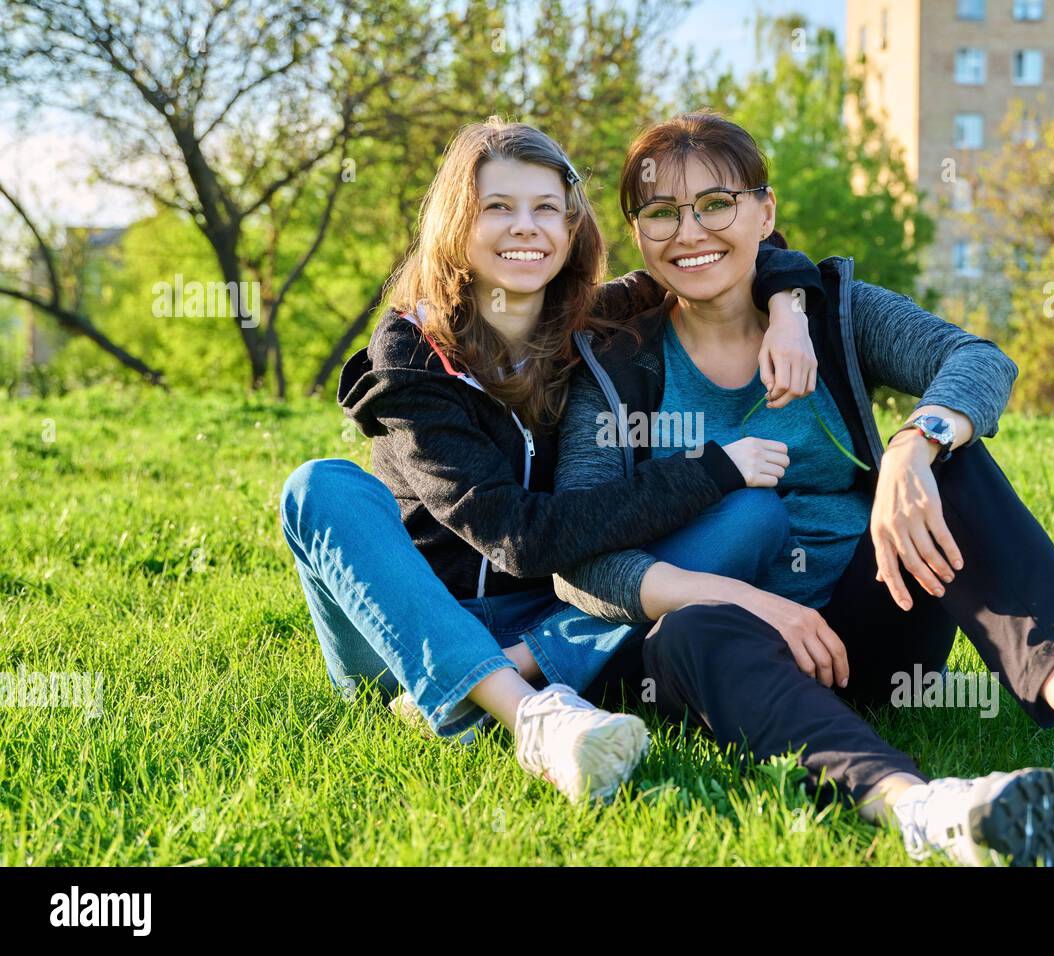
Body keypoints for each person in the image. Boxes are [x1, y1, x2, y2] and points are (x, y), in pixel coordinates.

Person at [553, 112, 1054, 866]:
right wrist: (747, 602)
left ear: (764, 213)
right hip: (718, 652)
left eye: (716, 204)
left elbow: (978, 360)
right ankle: (925, 810)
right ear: (637, 232)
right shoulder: (615, 364)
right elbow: (582, 558)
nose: (690, 231)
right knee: (694, 629)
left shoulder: (834, 311)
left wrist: (913, 443)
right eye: (661, 213)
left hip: (871, 628)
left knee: (950, 461)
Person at [279, 117, 823, 804]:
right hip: (409, 634)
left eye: (545, 209)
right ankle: (530, 716)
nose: (525, 228)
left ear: (572, 230)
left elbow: (730, 246)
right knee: (318, 486)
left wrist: (790, 309)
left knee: (749, 515)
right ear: (458, 226)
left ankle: (517, 680)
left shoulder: (583, 323)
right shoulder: (413, 351)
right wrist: (710, 468)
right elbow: (517, 538)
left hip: (550, 622)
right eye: (497, 208)